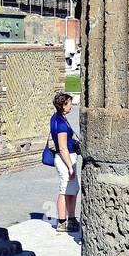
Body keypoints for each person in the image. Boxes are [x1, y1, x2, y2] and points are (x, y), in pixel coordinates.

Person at [50, 92, 81, 233]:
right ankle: (62, 222)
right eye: (69, 103)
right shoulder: (61, 123)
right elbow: (62, 148)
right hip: (65, 159)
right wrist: (70, 167)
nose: (71, 106)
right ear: (63, 105)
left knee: (71, 189)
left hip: (65, 158)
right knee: (64, 189)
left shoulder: (56, 118)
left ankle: (72, 219)